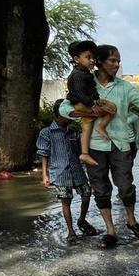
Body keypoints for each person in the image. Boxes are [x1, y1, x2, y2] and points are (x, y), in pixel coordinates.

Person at [60, 44, 139, 248]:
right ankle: (110, 230)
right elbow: (65, 106)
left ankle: (131, 220)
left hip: (120, 144)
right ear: (99, 61)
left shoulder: (124, 87)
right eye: (112, 60)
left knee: (126, 187)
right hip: (94, 146)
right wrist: (84, 114)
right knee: (101, 189)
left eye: (118, 61)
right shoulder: (85, 82)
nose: (117, 64)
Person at [37, 99, 99, 241]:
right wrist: (44, 175)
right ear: (58, 114)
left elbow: (82, 148)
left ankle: (82, 220)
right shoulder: (47, 133)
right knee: (66, 201)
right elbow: (43, 154)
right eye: (66, 114)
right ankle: (71, 231)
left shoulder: (73, 130)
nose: (70, 117)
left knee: (87, 193)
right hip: (59, 173)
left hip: (76, 170)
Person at [66, 40, 115, 167]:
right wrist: (93, 104)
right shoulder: (77, 75)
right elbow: (80, 93)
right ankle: (84, 153)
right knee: (87, 127)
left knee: (111, 107)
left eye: (93, 57)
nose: (92, 60)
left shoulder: (85, 73)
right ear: (76, 59)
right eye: (88, 57)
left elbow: (91, 89)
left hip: (89, 102)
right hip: (82, 104)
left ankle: (100, 127)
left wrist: (97, 99)